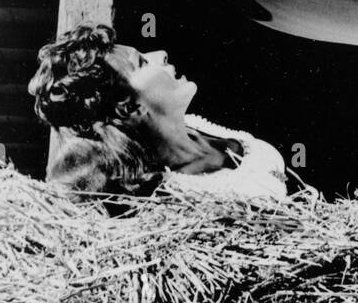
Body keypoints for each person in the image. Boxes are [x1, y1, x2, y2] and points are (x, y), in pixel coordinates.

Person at [28, 24, 287, 201]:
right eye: (141, 62)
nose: (160, 54)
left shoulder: (197, 126)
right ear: (129, 107)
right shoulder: (181, 194)